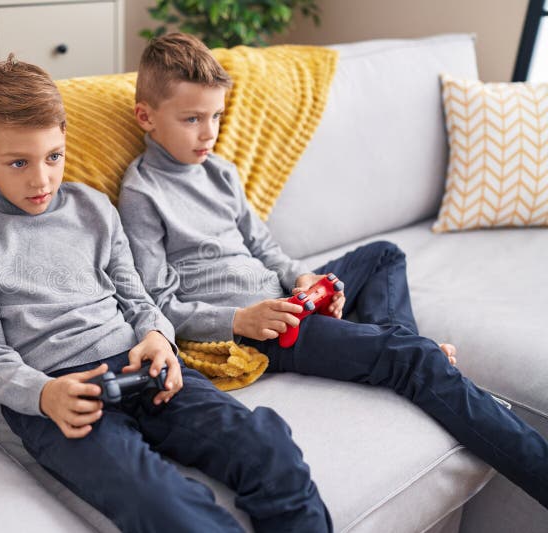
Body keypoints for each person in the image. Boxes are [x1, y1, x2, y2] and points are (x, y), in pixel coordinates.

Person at [117, 32, 548, 510]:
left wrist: (304, 278)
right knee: (416, 361)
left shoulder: (220, 171)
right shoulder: (142, 195)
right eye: (192, 119)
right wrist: (240, 321)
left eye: (216, 116)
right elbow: (158, 302)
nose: (208, 133)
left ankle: (390, 339)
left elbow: (264, 246)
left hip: (286, 297)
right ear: (146, 117)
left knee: (383, 255)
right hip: (258, 329)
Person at [0, 54, 335, 532]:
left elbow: (139, 296)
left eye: (53, 157)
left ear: (65, 140)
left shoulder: (95, 209)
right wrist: (44, 395)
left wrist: (157, 338)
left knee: (267, 448)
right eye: (18, 163)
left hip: (141, 364)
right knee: (162, 502)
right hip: (61, 392)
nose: (40, 179)